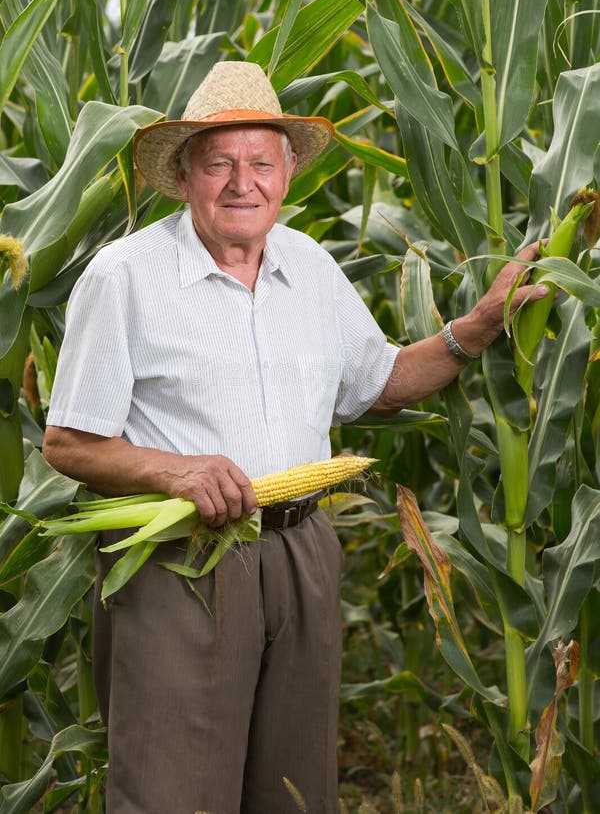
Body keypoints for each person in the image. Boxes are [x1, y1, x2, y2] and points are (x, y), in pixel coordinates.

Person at [43, 61, 548, 814]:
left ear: (285, 176)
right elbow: (69, 443)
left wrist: (470, 332)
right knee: (172, 790)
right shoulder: (124, 280)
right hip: (182, 560)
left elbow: (377, 385)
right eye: (219, 163)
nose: (240, 182)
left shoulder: (310, 267)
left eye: (259, 163)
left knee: (292, 789)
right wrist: (177, 473)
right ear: (184, 175)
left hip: (302, 551)